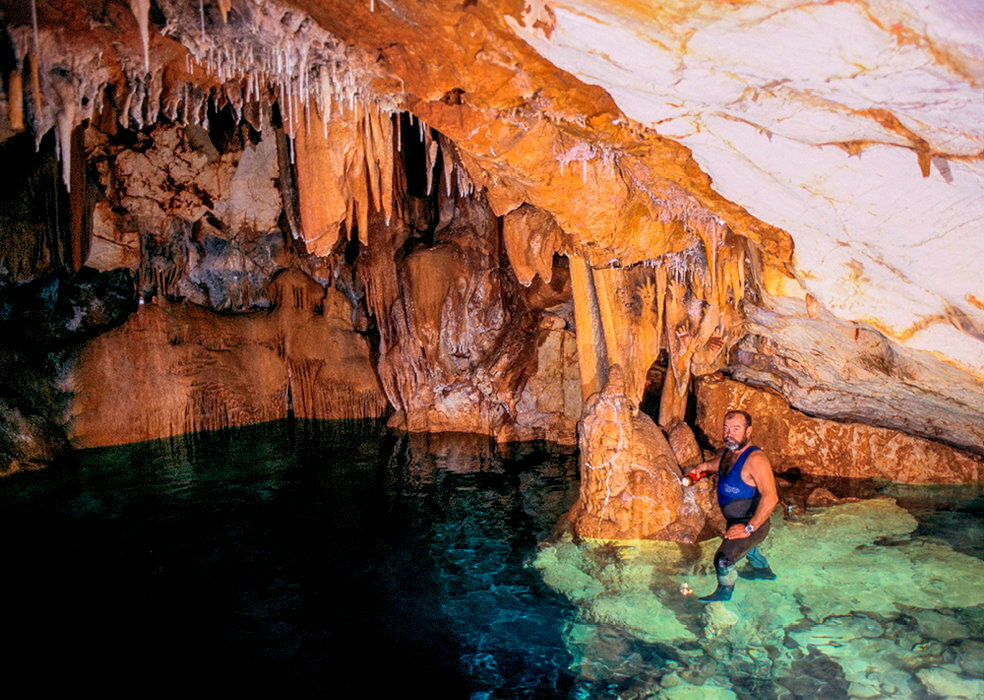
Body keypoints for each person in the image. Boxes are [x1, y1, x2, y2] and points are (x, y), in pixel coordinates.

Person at [685, 409, 779, 602]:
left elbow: (771, 498)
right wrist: (702, 468)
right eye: (726, 429)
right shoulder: (731, 452)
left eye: (736, 429)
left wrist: (748, 528)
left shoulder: (756, 460)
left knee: (723, 560)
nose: (729, 434)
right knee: (749, 549)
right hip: (735, 519)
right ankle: (764, 572)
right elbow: (720, 464)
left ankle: (724, 594)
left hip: (751, 523)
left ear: (748, 431)